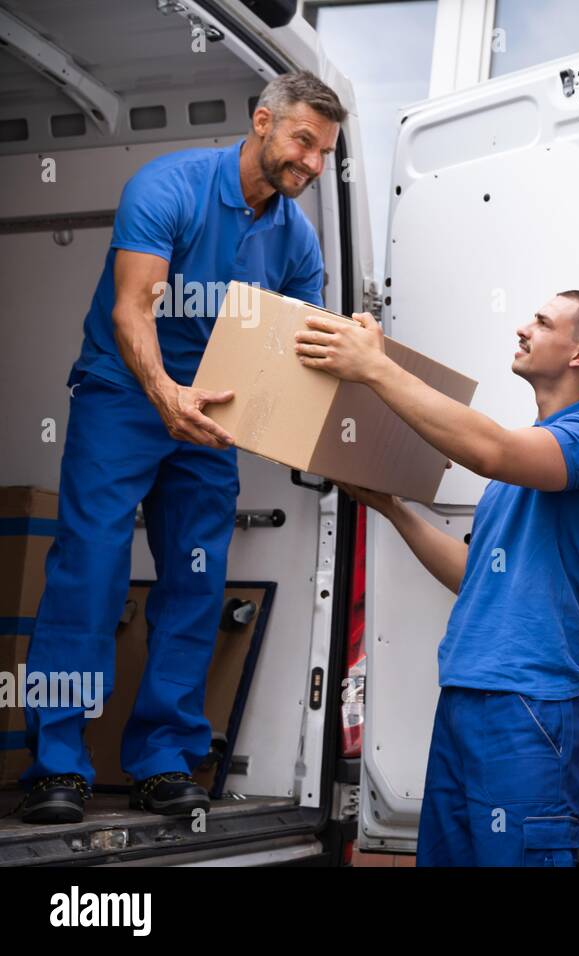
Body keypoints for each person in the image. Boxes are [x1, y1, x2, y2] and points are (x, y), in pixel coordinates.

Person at [19, 72, 346, 824]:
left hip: (213, 412)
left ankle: (163, 758)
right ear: (263, 122)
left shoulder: (296, 239)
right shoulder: (168, 186)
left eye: (325, 152)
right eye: (303, 141)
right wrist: (165, 393)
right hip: (125, 396)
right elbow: (134, 306)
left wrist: (352, 345)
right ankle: (56, 764)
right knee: (90, 569)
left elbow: (302, 347)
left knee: (195, 583)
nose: (313, 164)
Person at [294, 290, 579, 866]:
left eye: (542, 322)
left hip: (531, 706)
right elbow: (475, 576)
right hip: (467, 696)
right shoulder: (519, 466)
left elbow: (490, 450)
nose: (523, 328)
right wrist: (392, 506)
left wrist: (374, 366)